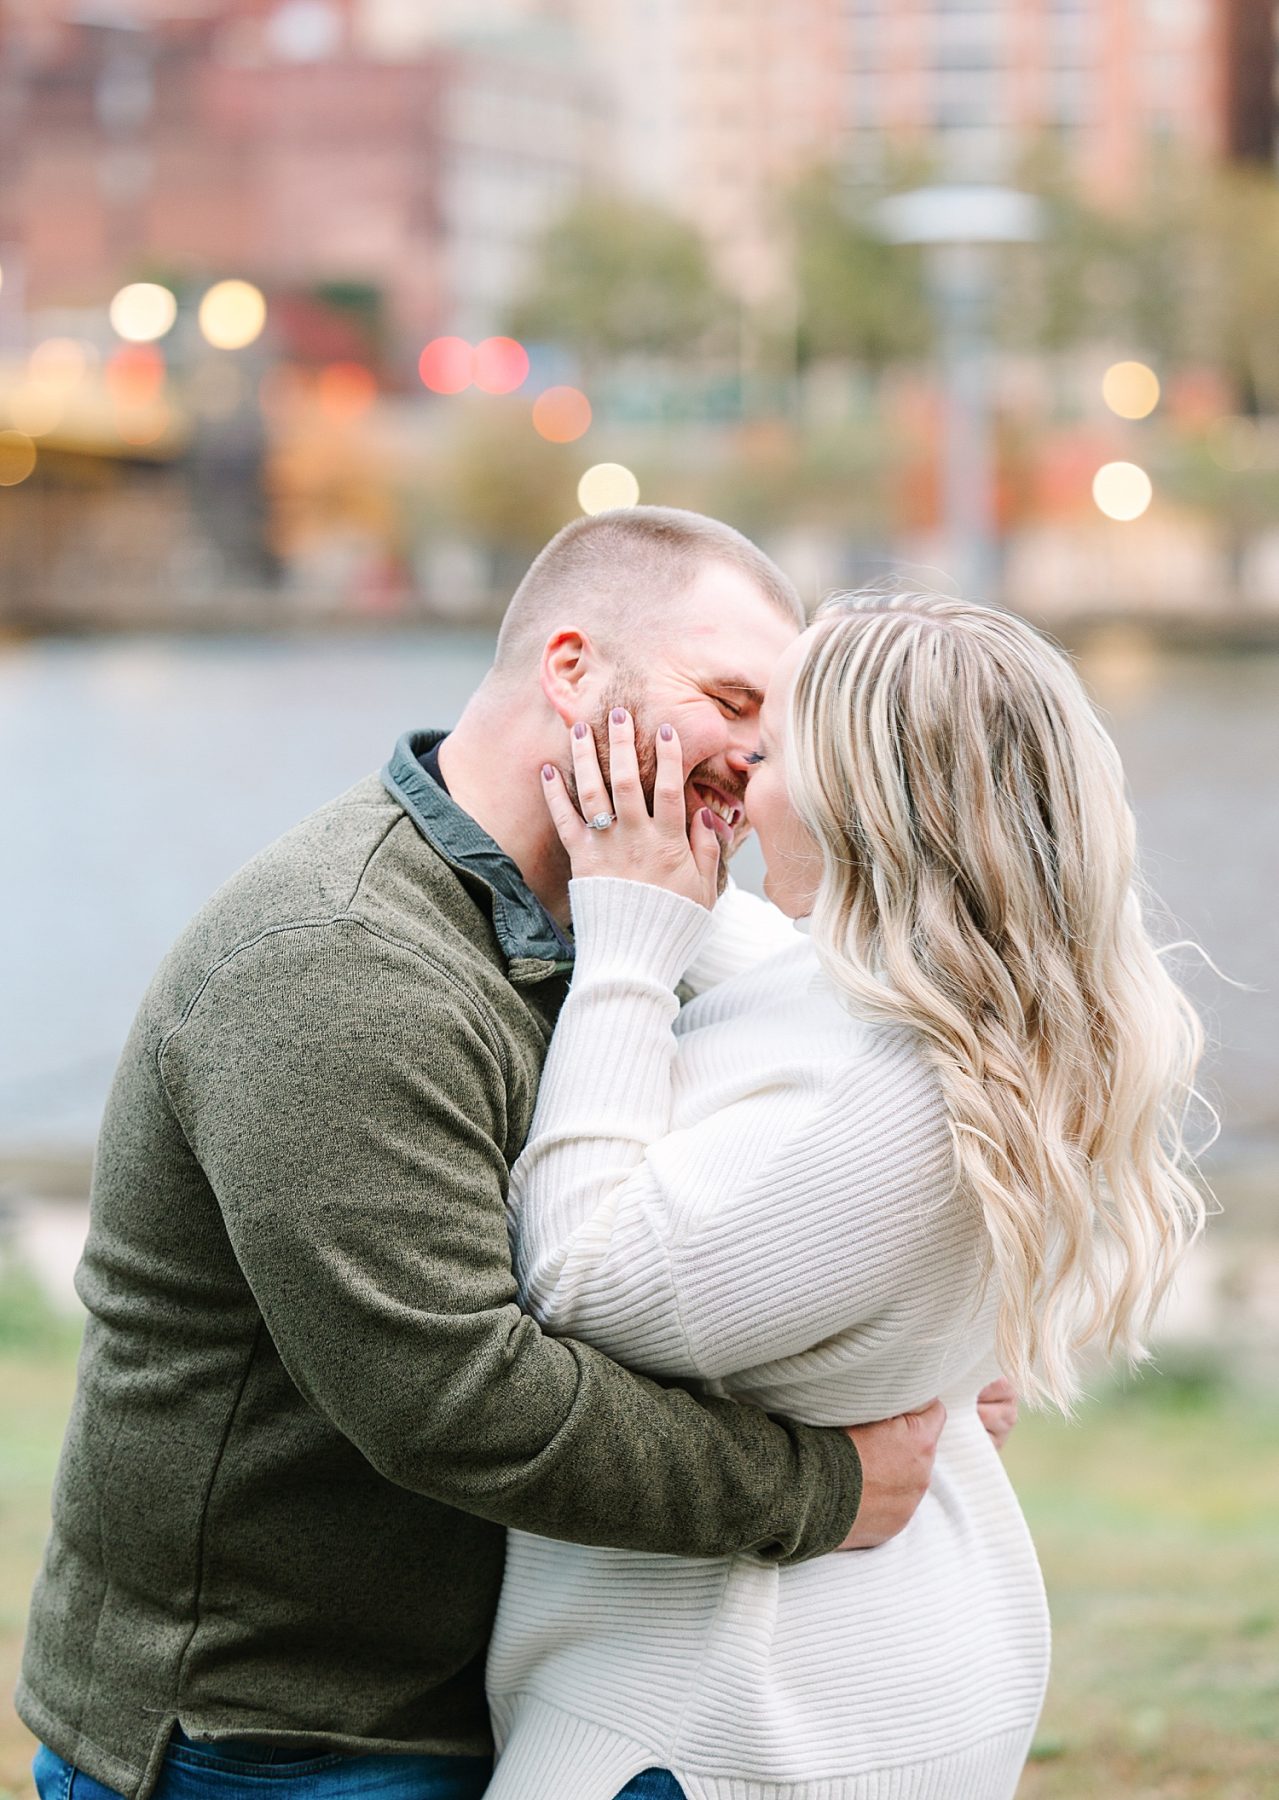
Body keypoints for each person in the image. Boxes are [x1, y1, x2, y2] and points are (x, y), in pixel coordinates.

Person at [20, 511, 951, 1800]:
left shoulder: (633, 921)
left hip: (484, 1697)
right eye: (728, 700)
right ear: (569, 670)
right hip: (279, 1735)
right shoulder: (337, 964)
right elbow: (455, 1399)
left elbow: (728, 1206)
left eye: (771, 726)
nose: (756, 760)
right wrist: (820, 1483)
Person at [486, 590, 1208, 1800]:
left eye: (769, 753)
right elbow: (754, 970)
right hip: (861, 1668)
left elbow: (579, 1279)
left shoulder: (882, 1091)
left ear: (854, 805)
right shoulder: (931, 1002)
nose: (740, 782)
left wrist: (619, 945)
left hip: (727, 1727)